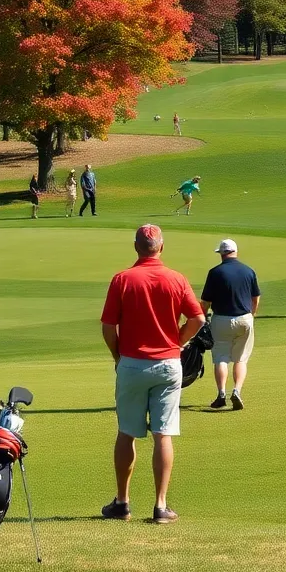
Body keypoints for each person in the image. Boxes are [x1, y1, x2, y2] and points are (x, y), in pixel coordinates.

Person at [99, 224, 205, 524]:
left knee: (127, 432)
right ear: (161, 247)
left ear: (136, 247)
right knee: (163, 434)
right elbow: (197, 318)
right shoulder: (176, 278)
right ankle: (160, 506)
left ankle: (122, 502)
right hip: (168, 363)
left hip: (132, 362)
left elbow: (108, 326)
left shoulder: (123, 279)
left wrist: (118, 356)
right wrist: (178, 342)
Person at [199, 239, 260, 410]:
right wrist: (252, 315)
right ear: (235, 251)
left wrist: (202, 318)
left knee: (221, 358)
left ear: (222, 253)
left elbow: (206, 302)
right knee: (240, 359)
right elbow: (255, 298)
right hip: (245, 319)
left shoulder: (215, 272)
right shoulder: (249, 271)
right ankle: (237, 390)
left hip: (221, 320)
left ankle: (221, 393)